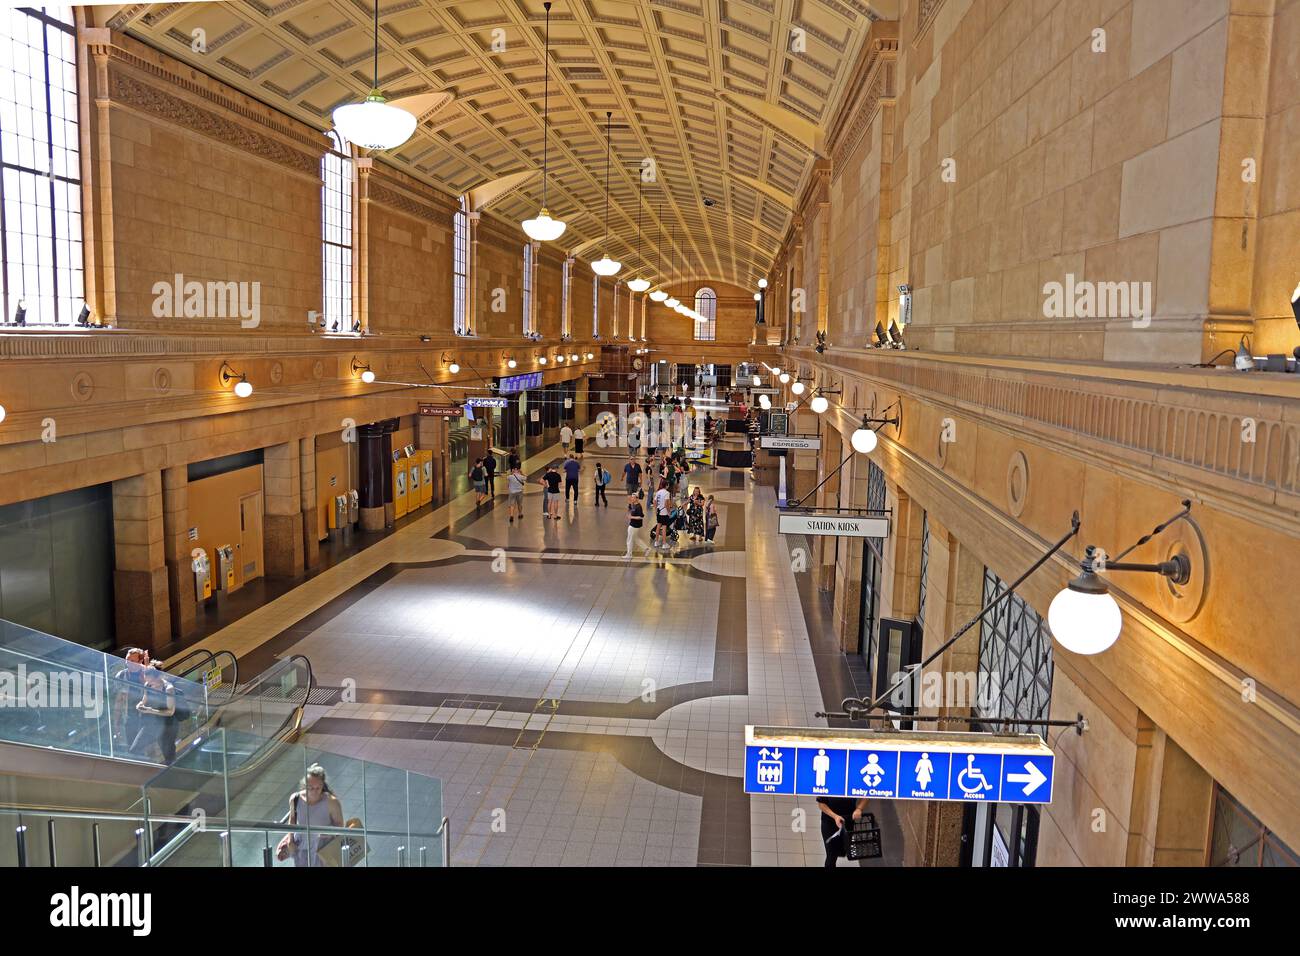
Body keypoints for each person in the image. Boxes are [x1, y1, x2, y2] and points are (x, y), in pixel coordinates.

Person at [277, 764, 344, 867]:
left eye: (318, 788)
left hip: (323, 849)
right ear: (305, 785)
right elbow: (293, 819)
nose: (314, 791)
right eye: (310, 788)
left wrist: (328, 834)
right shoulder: (295, 799)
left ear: (323, 785)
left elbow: (340, 826)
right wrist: (290, 840)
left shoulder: (332, 802)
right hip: (302, 847)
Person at [134, 664, 177, 764]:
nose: (150, 684)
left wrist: (150, 710)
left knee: (169, 756)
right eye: (147, 680)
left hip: (167, 725)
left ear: (158, 677)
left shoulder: (168, 688)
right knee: (135, 749)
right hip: (152, 723)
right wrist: (140, 704)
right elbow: (144, 699)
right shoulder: (147, 685)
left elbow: (171, 711)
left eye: (152, 681)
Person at [817, 796, 869, 867]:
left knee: (843, 851)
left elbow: (866, 795)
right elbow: (821, 804)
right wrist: (835, 816)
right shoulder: (827, 785)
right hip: (829, 820)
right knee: (831, 854)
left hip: (848, 820)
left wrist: (859, 809)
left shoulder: (853, 784)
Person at [623, 494, 644, 559]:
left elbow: (641, 517)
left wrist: (631, 517)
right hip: (633, 524)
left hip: (634, 526)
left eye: (633, 497)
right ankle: (646, 549)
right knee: (636, 539)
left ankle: (629, 554)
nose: (631, 498)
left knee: (629, 540)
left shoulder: (638, 507)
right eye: (631, 497)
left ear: (636, 499)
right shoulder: (634, 505)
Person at [652, 480, 672, 548]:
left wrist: (655, 510)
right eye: (668, 485)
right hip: (664, 512)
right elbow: (667, 504)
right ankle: (664, 543)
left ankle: (656, 542)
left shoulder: (658, 492)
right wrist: (669, 512)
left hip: (658, 512)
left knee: (658, 527)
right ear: (666, 485)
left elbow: (654, 501)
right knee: (664, 527)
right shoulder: (667, 493)